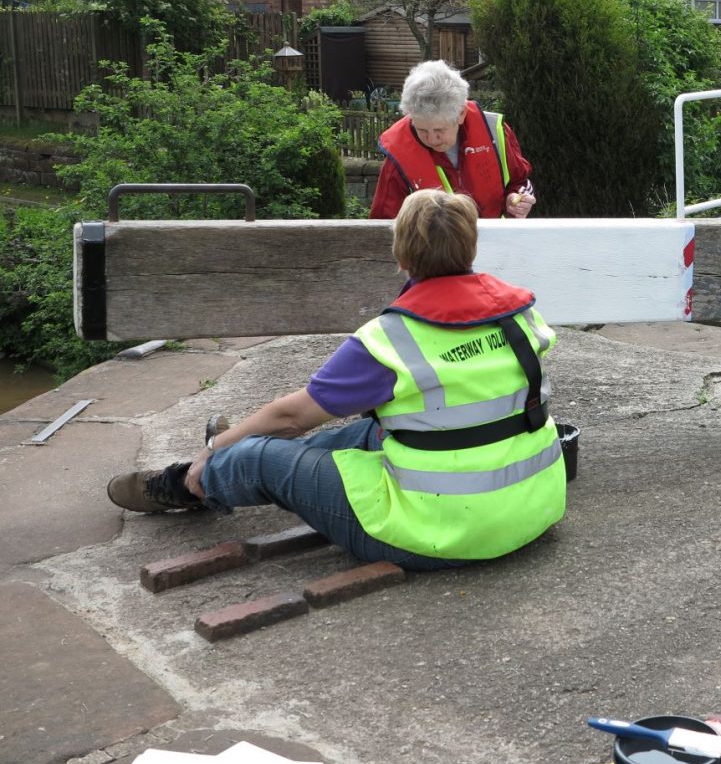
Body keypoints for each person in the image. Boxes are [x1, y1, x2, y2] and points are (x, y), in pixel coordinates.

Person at [106, 190, 566, 570]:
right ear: (470, 248)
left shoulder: (393, 340)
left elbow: (291, 417)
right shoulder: (520, 316)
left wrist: (220, 443)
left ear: (400, 256)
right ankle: (220, 464)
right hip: (532, 508)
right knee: (366, 431)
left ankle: (188, 480)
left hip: (439, 534)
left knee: (258, 455)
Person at [369, 60, 536, 220]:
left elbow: (519, 181)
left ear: (461, 114)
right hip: (433, 248)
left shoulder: (494, 131)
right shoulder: (398, 154)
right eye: (422, 130)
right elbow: (383, 224)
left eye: (439, 130)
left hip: (493, 242)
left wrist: (517, 199)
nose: (432, 139)